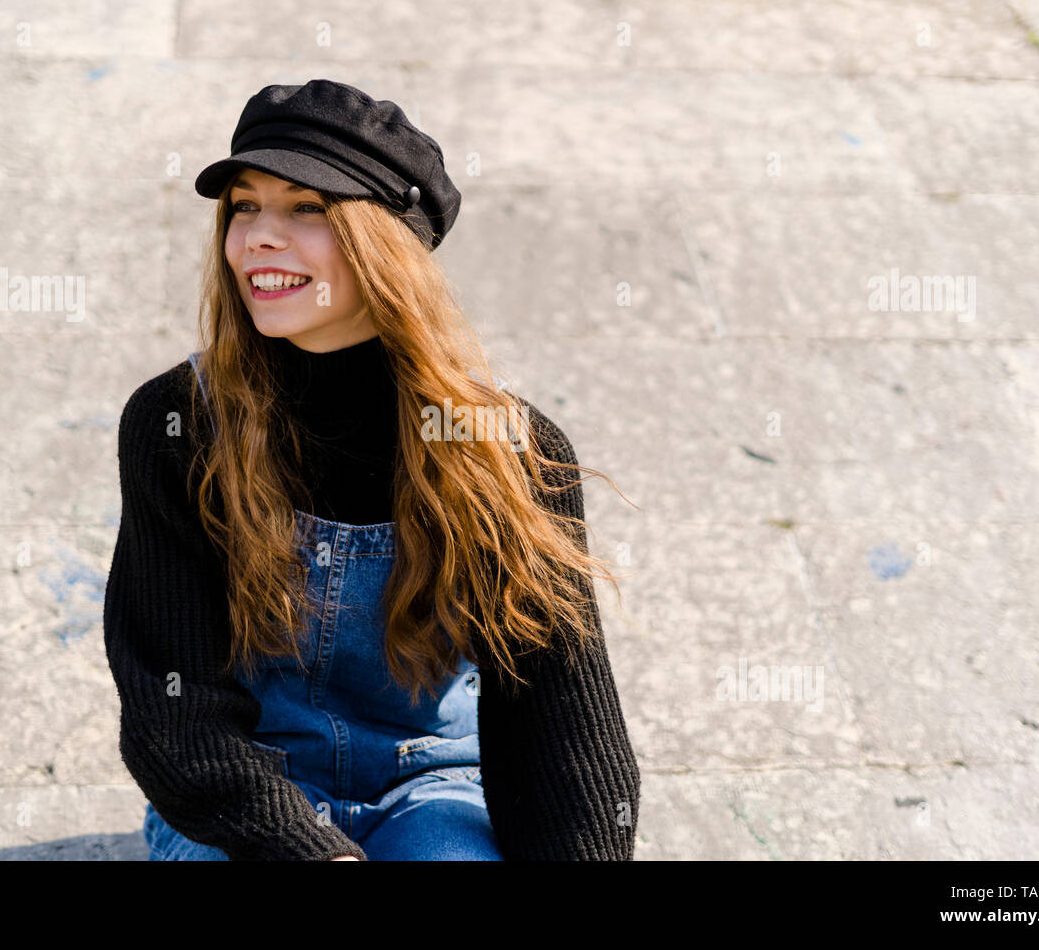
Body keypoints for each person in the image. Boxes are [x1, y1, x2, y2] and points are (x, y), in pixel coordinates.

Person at [103, 79, 641, 861]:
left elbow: (561, 721)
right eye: (244, 206)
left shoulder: (503, 447)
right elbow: (173, 712)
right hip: (246, 800)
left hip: (434, 791)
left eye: (306, 208)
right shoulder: (178, 426)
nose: (258, 236)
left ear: (385, 245)